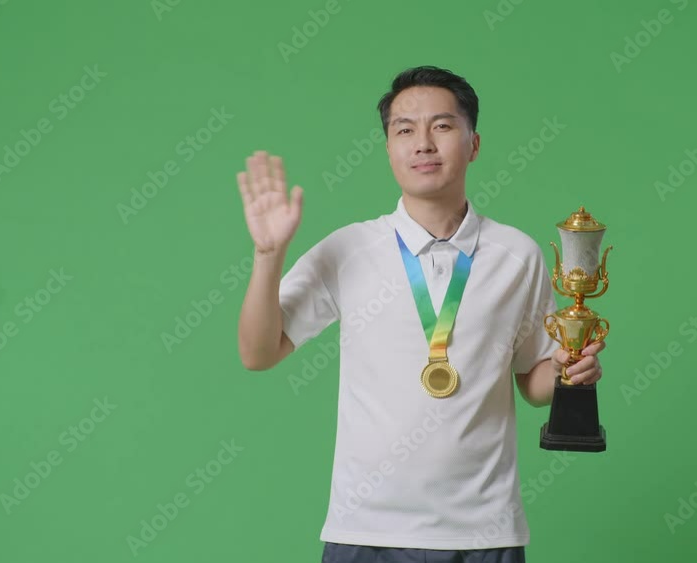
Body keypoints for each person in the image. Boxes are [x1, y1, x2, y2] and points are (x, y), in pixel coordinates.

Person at [235, 66, 605, 563]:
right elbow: (258, 353)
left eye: (443, 126)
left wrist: (567, 370)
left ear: (473, 143)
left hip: (484, 533)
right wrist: (267, 254)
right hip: (365, 529)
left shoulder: (517, 254)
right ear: (388, 147)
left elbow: (531, 382)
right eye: (404, 129)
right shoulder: (349, 249)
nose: (423, 143)